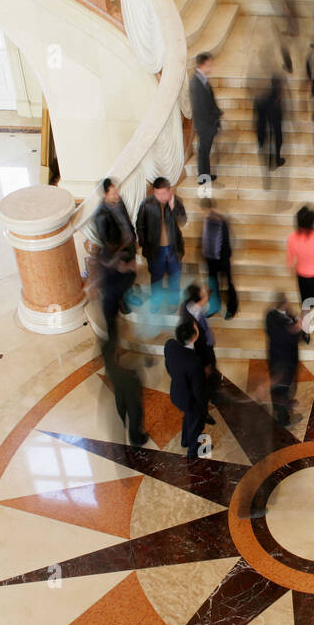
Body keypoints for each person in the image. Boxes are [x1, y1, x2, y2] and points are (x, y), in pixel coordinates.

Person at [90, 177, 139, 328]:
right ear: (105, 195)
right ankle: (123, 301)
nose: (117, 195)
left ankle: (128, 294)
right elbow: (107, 241)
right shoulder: (100, 215)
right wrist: (119, 259)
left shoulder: (119, 201)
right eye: (113, 193)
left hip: (129, 244)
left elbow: (126, 220)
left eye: (117, 191)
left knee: (131, 275)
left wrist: (133, 237)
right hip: (119, 251)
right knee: (123, 277)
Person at [136, 177, 186, 311]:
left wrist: (173, 207)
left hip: (173, 248)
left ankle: (173, 303)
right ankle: (156, 302)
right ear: (154, 192)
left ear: (169, 191)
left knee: (174, 278)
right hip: (155, 250)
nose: (160, 197)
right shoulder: (146, 205)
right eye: (157, 194)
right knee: (156, 278)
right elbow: (140, 226)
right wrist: (144, 245)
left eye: (164, 193)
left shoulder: (177, 202)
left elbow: (183, 220)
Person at [164, 318, 206, 459]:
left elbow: (169, 367)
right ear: (194, 337)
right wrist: (203, 407)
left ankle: (185, 441)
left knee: (188, 416)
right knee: (195, 424)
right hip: (189, 399)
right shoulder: (194, 363)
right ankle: (193, 451)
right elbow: (198, 390)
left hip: (176, 393)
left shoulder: (170, 345)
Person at [265, 293, 310, 425]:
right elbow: (283, 337)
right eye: (287, 302)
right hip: (281, 361)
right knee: (280, 387)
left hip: (289, 359)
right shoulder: (273, 318)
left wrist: (298, 325)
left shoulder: (284, 315)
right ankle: (282, 416)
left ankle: (285, 402)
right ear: (283, 304)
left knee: (287, 384)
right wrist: (296, 329)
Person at [179, 282, 219, 425]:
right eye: (204, 295)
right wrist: (205, 365)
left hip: (208, 351)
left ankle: (214, 392)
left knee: (212, 379)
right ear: (198, 300)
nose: (206, 296)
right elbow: (193, 349)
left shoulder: (190, 306)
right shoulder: (189, 323)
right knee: (202, 389)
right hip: (202, 359)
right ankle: (203, 413)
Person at [100, 329, 148, 447]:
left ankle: (122, 425)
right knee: (135, 412)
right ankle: (136, 438)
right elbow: (147, 362)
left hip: (118, 384)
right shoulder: (125, 355)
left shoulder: (106, 348)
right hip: (129, 386)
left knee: (121, 405)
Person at [200, 199, 237, 319]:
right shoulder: (206, 220)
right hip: (210, 260)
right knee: (212, 285)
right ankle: (215, 306)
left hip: (222, 259)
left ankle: (232, 308)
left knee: (228, 284)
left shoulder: (221, 222)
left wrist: (225, 259)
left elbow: (226, 243)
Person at [190, 52, 222, 184]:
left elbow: (210, 100)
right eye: (209, 65)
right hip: (204, 125)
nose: (211, 68)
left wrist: (217, 113)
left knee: (205, 152)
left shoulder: (202, 79)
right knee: (203, 152)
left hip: (208, 124)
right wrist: (214, 118)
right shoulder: (196, 83)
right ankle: (202, 179)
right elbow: (201, 108)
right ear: (202, 65)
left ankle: (206, 175)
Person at [253, 73, 286, 171]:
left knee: (268, 137)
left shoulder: (265, 94)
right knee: (277, 137)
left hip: (264, 121)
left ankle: (269, 156)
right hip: (273, 118)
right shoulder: (276, 93)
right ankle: (276, 159)